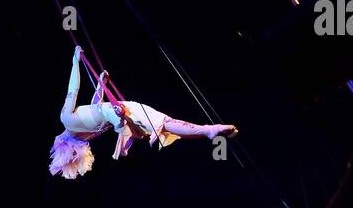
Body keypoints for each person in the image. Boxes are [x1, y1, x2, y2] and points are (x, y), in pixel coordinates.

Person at [50, 46, 238, 178]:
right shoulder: (66, 120)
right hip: (125, 113)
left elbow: (96, 110)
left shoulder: (84, 136)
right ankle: (207, 130)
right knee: (164, 123)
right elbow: (72, 90)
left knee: (165, 125)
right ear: (62, 144)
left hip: (124, 117)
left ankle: (208, 130)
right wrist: (75, 61)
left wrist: (101, 85)